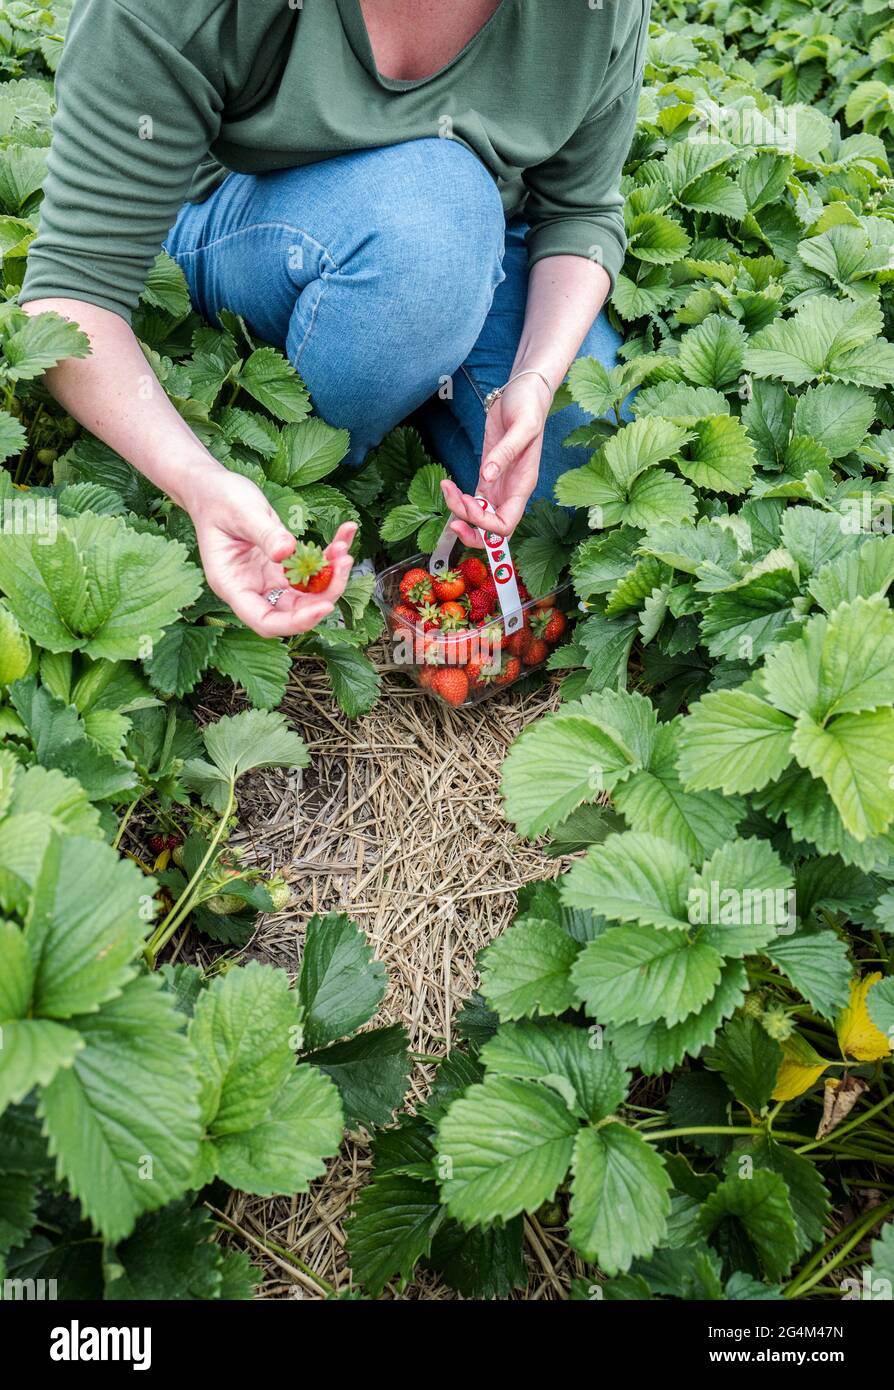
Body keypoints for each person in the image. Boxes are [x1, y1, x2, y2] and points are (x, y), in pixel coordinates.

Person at [22, 0, 649, 636]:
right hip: (244, 218)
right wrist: (197, 481)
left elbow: (580, 213)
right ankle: (339, 452)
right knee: (428, 235)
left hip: (477, 243)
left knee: (573, 480)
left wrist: (535, 381)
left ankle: (411, 351)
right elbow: (74, 295)